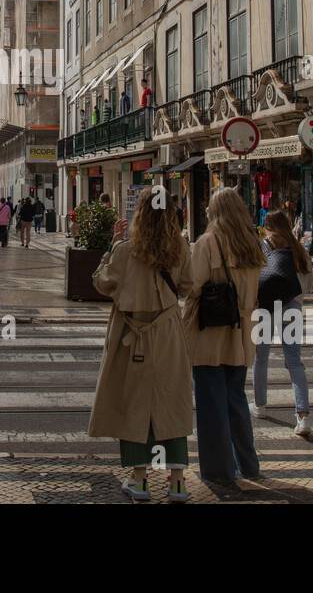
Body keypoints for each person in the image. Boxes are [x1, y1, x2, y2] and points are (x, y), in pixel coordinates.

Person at [88, 186, 194, 503]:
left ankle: (139, 480)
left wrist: (111, 245)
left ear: (140, 213)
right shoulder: (181, 248)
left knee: (132, 404)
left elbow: (101, 282)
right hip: (167, 333)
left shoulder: (124, 250)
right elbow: (188, 286)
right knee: (170, 403)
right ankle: (177, 482)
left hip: (131, 334)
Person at [183, 188, 266, 486]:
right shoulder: (251, 244)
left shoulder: (208, 242)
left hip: (211, 333)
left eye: (208, 207)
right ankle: (249, 464)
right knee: (236, 400)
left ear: (216, 211)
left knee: (211, 403)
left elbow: (192, 287)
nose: (204, 210)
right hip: (243, 333)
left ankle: (219, 470)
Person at [251, 210, 313, 437]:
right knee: (294, 360)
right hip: (292, 305)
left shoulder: (262, 246)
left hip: (265, 306)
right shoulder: (298, 248)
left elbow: (254, 276)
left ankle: (260, 405)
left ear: (267, 226)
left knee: (261, 356)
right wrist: (296, 298)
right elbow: (307, 281)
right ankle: (303, 414)